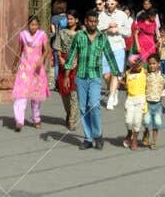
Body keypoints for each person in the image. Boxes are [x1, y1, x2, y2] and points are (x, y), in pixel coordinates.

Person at [66, 10, 118, 149]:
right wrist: (66, 74)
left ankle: (98, 134)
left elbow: (109, 55)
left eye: (95, 22)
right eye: (90, 21)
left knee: (94, 106)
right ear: (85, 21)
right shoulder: (79, 36)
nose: (93, 24)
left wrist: (116, 72)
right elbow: (71, 55)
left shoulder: (102, 38)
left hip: (95, 76)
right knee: (83, 108)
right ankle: (88, 139)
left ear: (98, 23)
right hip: (81, 76)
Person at [11, 15, 49, 130]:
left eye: (36, 25)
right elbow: (19, 49)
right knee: (21, 94)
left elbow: (47, 49)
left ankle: (36, 118)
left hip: (37, 69)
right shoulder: (22, 35)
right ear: (28, 25)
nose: (34, 27)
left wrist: (42, 59)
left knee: (35, 96)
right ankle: (19, 120)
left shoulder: (42, 35)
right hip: (24, 68)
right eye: (32, 25)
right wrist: (15, 64)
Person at [53, 11, 80, 131]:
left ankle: (72, 120)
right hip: (63, 63)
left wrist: (76, 61)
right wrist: (60, 58)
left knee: (74, 92)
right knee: (64, 93)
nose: (69, 21)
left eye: (71, 19)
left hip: (76, 65)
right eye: (68, 19)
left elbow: (82, 50)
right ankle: (68, 112)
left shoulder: (81, 34)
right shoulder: (62, 32)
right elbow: (58, 47)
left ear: (77, 20)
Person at [123, 53, 147, 151]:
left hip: (140, 99)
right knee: (128, 120)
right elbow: (124, 83)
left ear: (141, 63)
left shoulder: (144, 72)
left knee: (137, 121)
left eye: (138, 63)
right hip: (130, 99)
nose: (136, 65)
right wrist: (123, 84)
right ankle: (129, 133)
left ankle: (135, 140)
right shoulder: (127, 73)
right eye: (133, 64)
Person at [142, 54, 165, 149]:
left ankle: (154, 142)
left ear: (159, 64)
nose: (152, 66)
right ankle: (146, 133)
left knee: (157, 123)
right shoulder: (146, 76)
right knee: (146, 121)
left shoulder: (163, 76)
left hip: (158, 104)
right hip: (147, 102)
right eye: (150, 64)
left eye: (154, 63)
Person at [131, 0, 159, 66]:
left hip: (151, 43)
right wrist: (137, 45)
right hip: (142, 43)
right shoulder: (140, 16)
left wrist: (158, 39)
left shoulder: (154, 19)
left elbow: (156, 30)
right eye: (145, 4)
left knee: (152, 60)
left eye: (148, 4)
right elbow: (136, 33)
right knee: (143, 61)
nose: (146, 5)